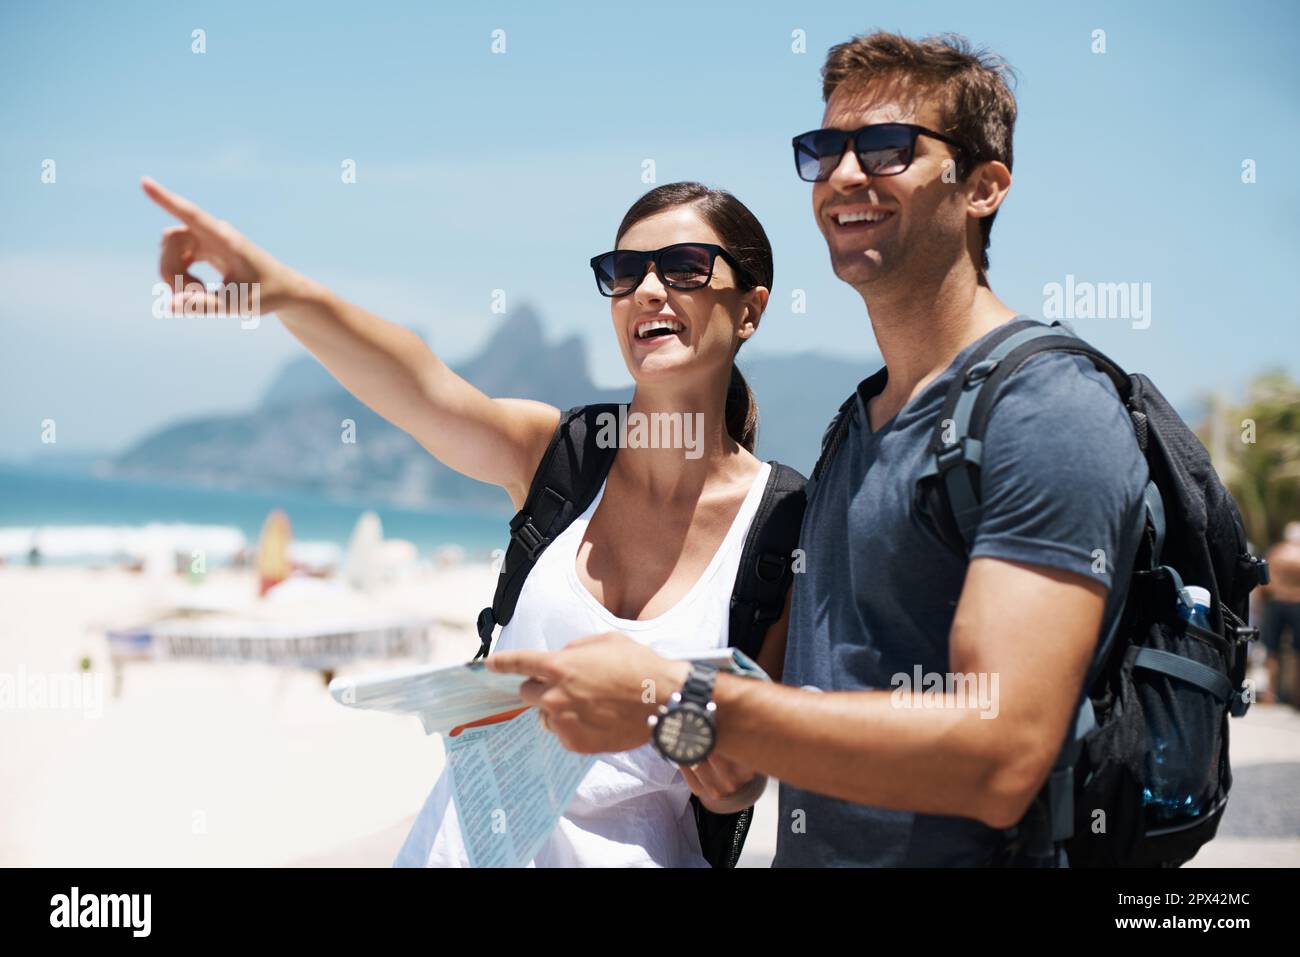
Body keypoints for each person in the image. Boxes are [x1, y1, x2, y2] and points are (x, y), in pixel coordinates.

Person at [486, 31, 1151, 866]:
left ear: (983, 186)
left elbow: (1003, 750)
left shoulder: (1046, 408)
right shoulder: (853, 433)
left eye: (885, 148)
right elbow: (785, 734)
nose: (843, 174)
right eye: (823, 149)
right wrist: (699, 739)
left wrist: (669, 692)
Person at [140, 176, 799, 866]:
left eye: (685, 266)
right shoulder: (560, 456)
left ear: (750, 309)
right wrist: (280, 293)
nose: (649, 289)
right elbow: (422, 387)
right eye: (625, 271)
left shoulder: (779, 523)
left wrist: (715, 758)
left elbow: (744, 778)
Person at [1261, 522, 1300, 706]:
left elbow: (1265, 579)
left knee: (1272, 650)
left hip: (1276, 601)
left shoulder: (1277, 552)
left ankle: (1270, 692)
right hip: (1297, 603)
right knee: (1297, 651)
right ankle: (1296, 695)